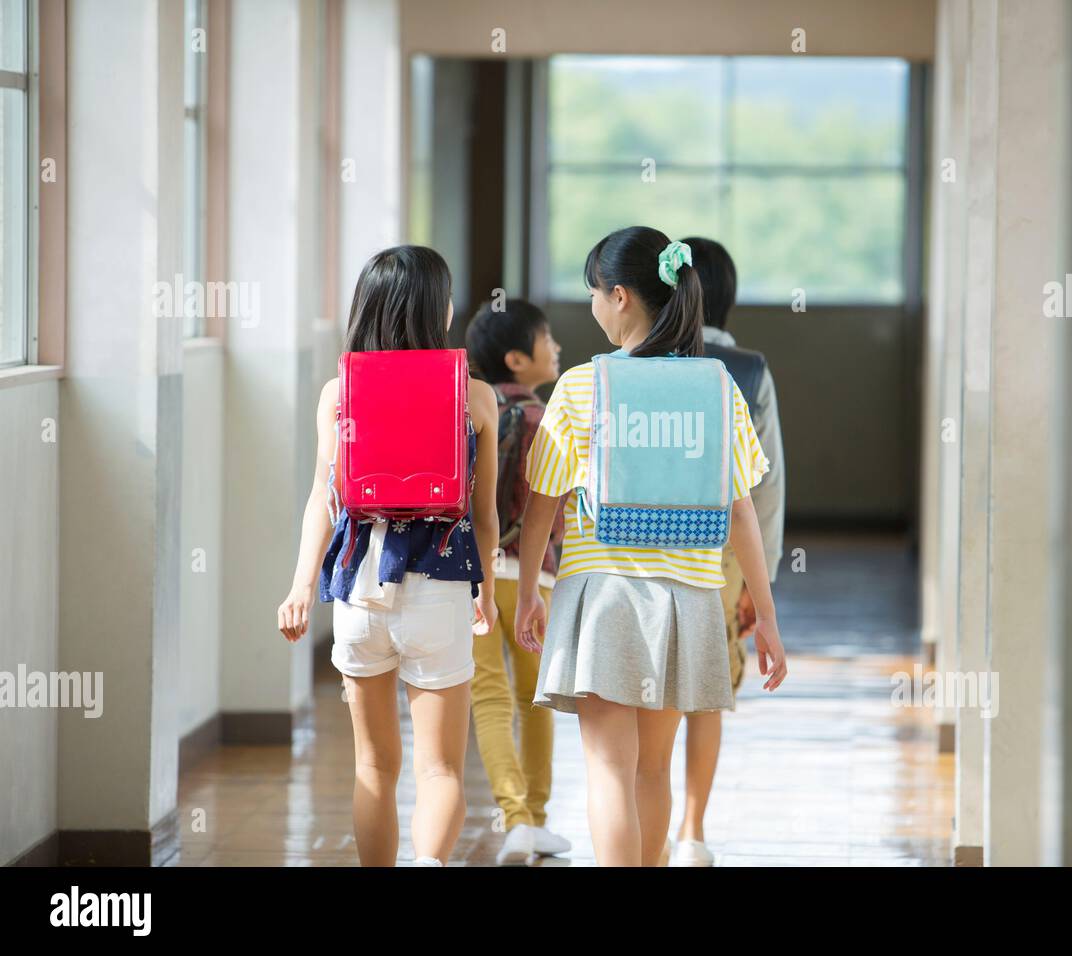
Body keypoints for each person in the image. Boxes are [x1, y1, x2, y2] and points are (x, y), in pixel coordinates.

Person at [512, 226, 789, 867]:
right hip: (687, 605)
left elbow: (539, 512)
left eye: (592, 294)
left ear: (620, 296)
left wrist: (529, 592)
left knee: (610, 772)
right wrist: (767, 616)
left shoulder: (582, 388)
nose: (590, 308)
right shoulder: (716, 386)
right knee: (653, 772)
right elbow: (742, 513)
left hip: (603, 599)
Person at [276, 245, 500, 867]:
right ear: (439, 308)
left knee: (373, 767)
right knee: (441, 770)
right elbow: (485, 516)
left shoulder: (338, 391)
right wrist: (482, 590)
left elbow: (324, 497)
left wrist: (300, 587)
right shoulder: (475, 398)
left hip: (357, 592)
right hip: (440, 591)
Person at [672, 236, 787, 866]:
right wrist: (756, 583)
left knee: (653, 693)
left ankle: (650, 820)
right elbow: (763, 489)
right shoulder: (748, 369)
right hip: (721, 556)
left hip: (646, 553)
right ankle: (691, 831)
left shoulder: (638, 363)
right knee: (707, 694)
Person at [463, 298, 570, 865]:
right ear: (517, 359)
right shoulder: (547, 421)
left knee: (488, 696)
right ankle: (539, 815)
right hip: (536, 581)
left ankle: (515, 819)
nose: (556, 348)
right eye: (546, 340)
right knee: (537, 699)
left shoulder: (469, 409)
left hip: (475, 579)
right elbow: (560, 509)